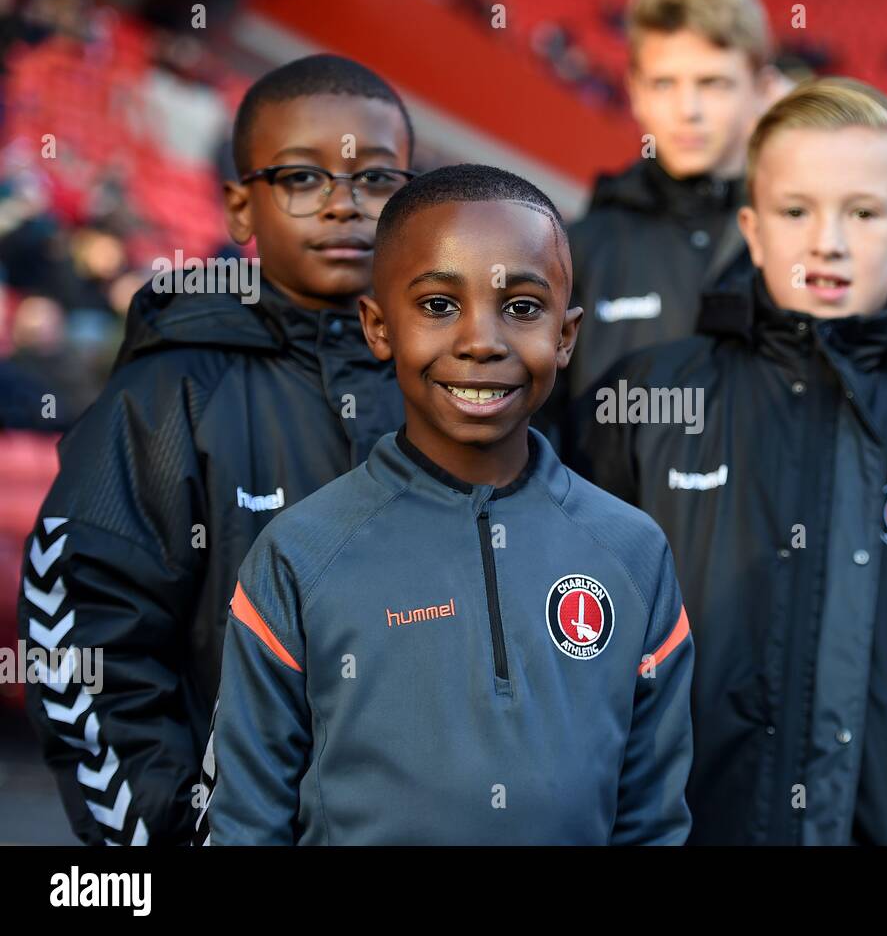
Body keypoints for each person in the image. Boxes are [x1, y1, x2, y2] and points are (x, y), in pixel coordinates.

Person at [573, 78, 887, 845]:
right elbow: (566, 650)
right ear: (754, 226)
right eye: (796, 210)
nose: (828, 242)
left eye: (864, 213)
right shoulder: (645, 400)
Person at [202, 165, 694, 844]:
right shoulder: (299, 555)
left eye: (522, 307)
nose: (481, 340)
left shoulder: (633, 550)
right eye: (438, 305)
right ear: (378, 326)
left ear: (566, 334)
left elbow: (652, 822)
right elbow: (245, 824)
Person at [17, 54, 414, 845]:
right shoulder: (168, 394)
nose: (344, 205)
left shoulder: (448, 384)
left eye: (376, 180)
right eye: (302, 179)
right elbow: (86, 643)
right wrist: (181, 829)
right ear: (240, 207)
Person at [539, 0, 777, 444]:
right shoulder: (578, 247)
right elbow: (541, 429)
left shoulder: (798, 241)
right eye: (665, 83)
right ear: (636, 92)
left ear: (761, 89)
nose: (688, 109)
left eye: (713, 83)